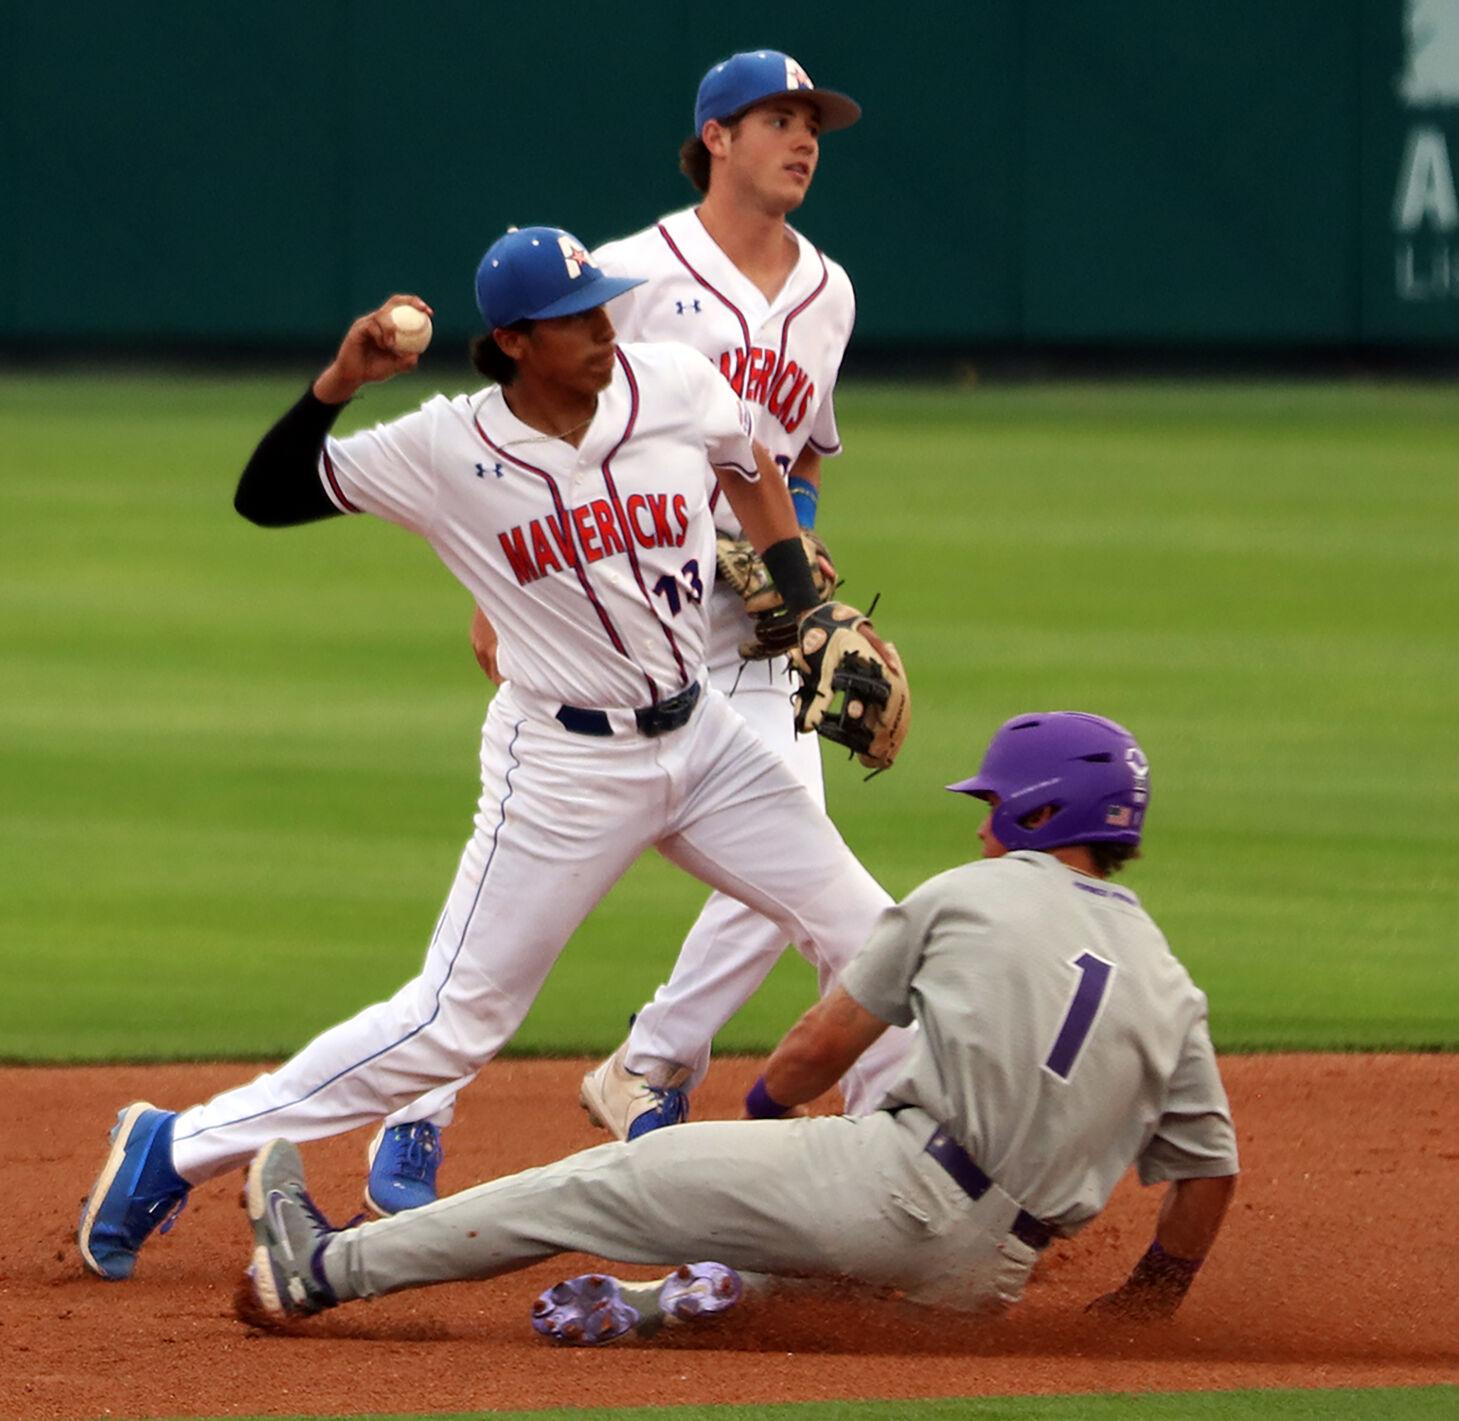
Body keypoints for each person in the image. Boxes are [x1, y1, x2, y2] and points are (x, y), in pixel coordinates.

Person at [75, 223, 906, 1281]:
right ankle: (173, 1144)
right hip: (565, 769)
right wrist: (338, 380)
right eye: (575, 320)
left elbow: (753, 465)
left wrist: (807, 604)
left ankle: (897, 1180)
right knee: (447, 1024)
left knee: (872, 936)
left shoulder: (673, 382)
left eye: (605, 305)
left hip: (703, 740)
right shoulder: (442, 447)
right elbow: (267, 495)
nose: (605, 330)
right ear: (513, 341)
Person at [237, 711, 1240, 1346]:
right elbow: (1208, 1175)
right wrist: (1150, 1300)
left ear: (1038, 810)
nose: (978, 823)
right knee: (813, 1258)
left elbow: (816, 1047)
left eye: (991, 803)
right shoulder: (1171, 984)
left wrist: (766, 1119)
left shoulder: (968, 893)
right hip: (985, 1280)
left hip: (889, 1190)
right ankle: (689, 1299)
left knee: (607, 1182)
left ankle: (318, 1270)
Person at [385, 49, 902, 1200]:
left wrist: (798, 559)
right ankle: (417, 1109)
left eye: (812, 121)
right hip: (617, 611)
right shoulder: (626, 269)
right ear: (715, 136)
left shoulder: (831, 291)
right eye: (778, 118)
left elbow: (799, 450)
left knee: (796, 875)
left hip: (754, 623)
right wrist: (497, 591)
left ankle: (650, 1066)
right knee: (509, 910)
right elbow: (526, 423)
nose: (803, 138)